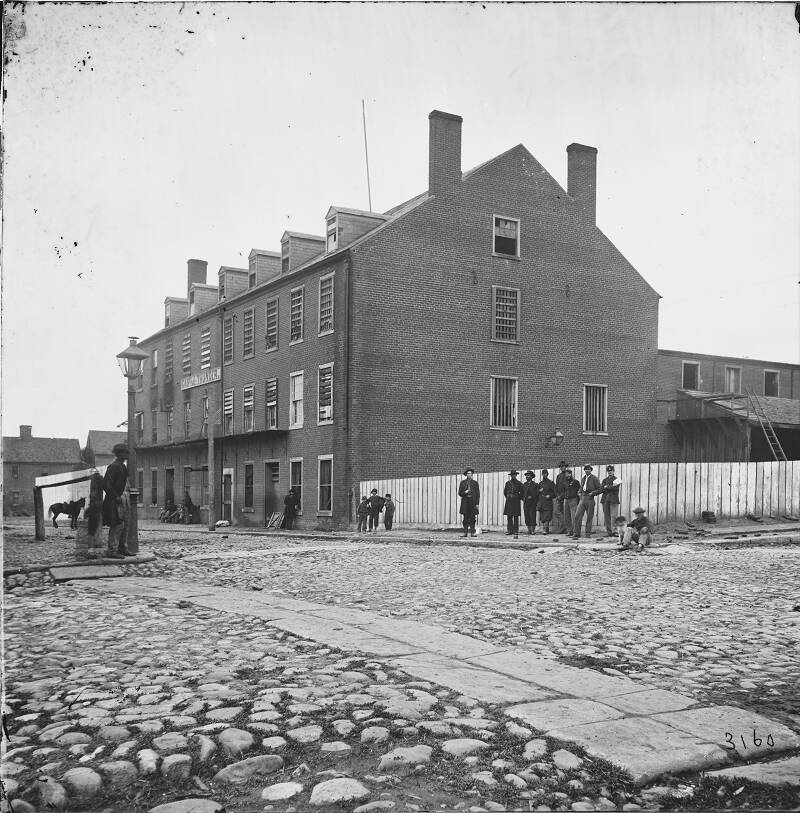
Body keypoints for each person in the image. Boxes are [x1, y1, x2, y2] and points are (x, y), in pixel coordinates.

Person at [102, 442, 130, 558]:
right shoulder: (114, 467)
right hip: (113, 501)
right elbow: (106, 484)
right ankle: (112, 550)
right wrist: (115, 496)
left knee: (125, 524)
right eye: (125, 452)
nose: (127, 454)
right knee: (117, 524)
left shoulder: (122, 467)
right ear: (119, 454)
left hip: (120, 499)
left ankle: (122, 548)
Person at [572, 465, 601, 539]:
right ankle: (576, 532)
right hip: (582, 498)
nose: (587, 471)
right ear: (584, 470)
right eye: (585, 469)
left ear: (591, 470)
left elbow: (600, 489)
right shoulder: (583, 478)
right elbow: (581, 487)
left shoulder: (594, 478)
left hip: (590, 498)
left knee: (589, 517)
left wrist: (593, 493)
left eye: (588, 469)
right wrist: (579, 492)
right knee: (577, 516)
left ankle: (588, 533)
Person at [599, 465, 622, 537]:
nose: (610, 472)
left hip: (613, 500)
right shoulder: (604, 480)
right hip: (605, 499)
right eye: (608, 471)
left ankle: (614, 531)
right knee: (607, 516)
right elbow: (602, 489)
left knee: (614, 516)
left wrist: (607, 487)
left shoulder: (617, 479)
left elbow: (615, 487)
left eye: (611, 471)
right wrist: (609, 487)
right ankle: (609, 532)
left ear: (613, 471)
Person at [458, 468, 480, 538]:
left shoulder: (475, 483)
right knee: (465, 517)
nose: (469, 475)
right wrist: (465, 492)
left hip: (472, 502)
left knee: (473, 517)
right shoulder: (462, 483)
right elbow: (460, 493)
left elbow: (477, 494)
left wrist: (477, 503)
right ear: (466, 475)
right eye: (468, 473)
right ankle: (465, 533)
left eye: (471, 473)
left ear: (472, 475)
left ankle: (473, 532)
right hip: (465, 501)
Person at [503, 470, 523, 538]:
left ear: (516, 475)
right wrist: (509, 497)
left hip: (516, 501)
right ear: (511, 476)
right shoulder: (507, 483)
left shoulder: (519, 483)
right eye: (512, 475)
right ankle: (509, 530)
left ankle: (516, 530)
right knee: (509, 516)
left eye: (514, 475)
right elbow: (505, 492)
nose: (513, 476)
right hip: (509, 501)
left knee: (516, 516)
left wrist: (517, 498)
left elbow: (522, 493)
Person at [553, 461, 571, 534]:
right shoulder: (558, 476)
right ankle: (563, 527)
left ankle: (566, 529)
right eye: (561, 466)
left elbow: (568, 487)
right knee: (556, 512)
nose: (562, 468)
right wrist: (557, 495)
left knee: (566, 513)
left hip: (566, 497)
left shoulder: (568, 475)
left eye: (563, 466)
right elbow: (556, 487)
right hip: (559, 497)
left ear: (565, 467)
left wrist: (562, 496)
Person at [562, 469, 580, 536]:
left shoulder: (576, 482)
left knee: (574, 516)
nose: (568, 475)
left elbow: (579, 491)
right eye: (567, 474)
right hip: (566, 500)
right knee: (566, 516)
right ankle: (569, 531)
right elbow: (563, 491)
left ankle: (575, 532)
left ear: (571, 474)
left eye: (569, 473)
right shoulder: (564, 482)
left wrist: (578, 500)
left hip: (573, 500)